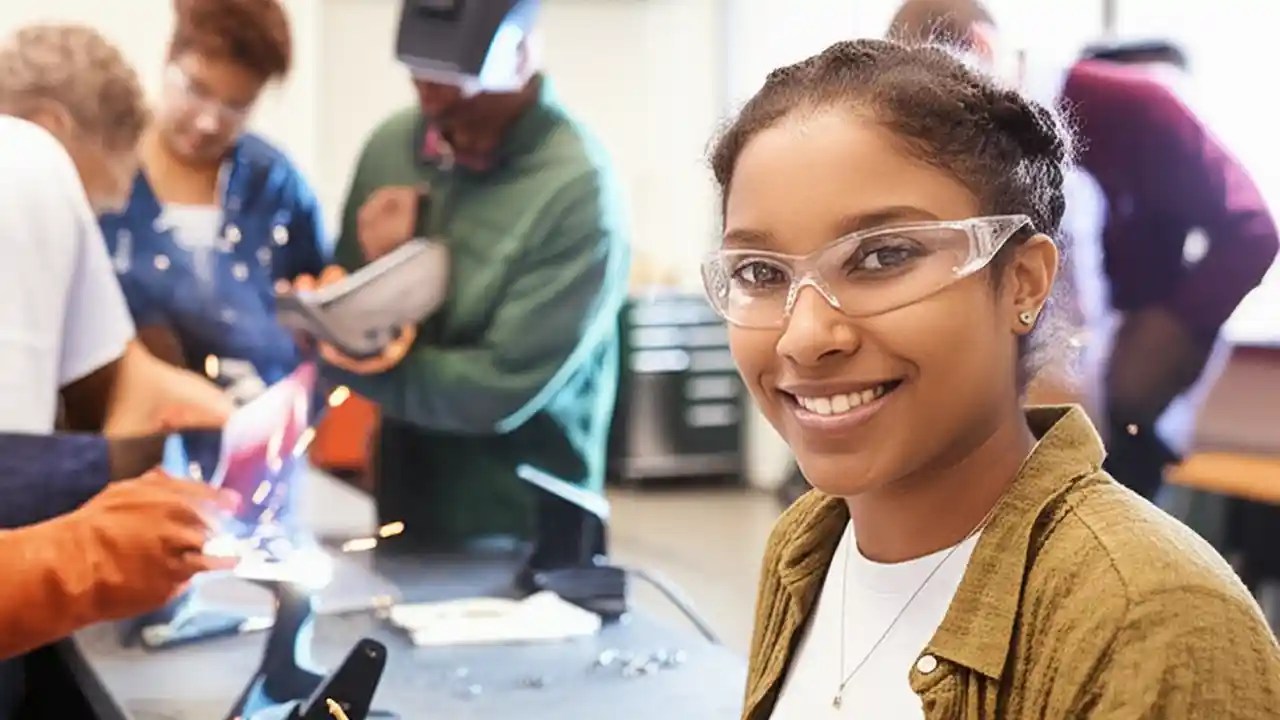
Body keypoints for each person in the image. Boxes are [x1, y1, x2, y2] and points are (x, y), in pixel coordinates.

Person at [709, 39, 1280, 719]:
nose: (804, 337)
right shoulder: (806, 544)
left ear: (1024, 280)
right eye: (759, 273)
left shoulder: (1154, 623)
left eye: (884, 256)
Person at [886, 0, 1280, 502]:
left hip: (1119, 392)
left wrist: (1169, 329)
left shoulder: (1134, 109)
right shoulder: (949, 141)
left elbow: (1253, 230)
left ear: (982, 50)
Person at [299, 5, 629, 548]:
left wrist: (339, 365)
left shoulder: (576, 191)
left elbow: (491, 391)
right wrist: (372, 275)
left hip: (522, 528)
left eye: (457, 97)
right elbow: (347, 310)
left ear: (521, 57)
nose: (434, 115)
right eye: (420, 85)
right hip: (404, 506)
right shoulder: (394, 147)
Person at [97, 0, 329, 487]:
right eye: (196, 89)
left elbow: (318, 316)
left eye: (235, 105)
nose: (208, 122)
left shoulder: (278, 189)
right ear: (167, 58)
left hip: (260, 472)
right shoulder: (100, 173)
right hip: (120, 472)